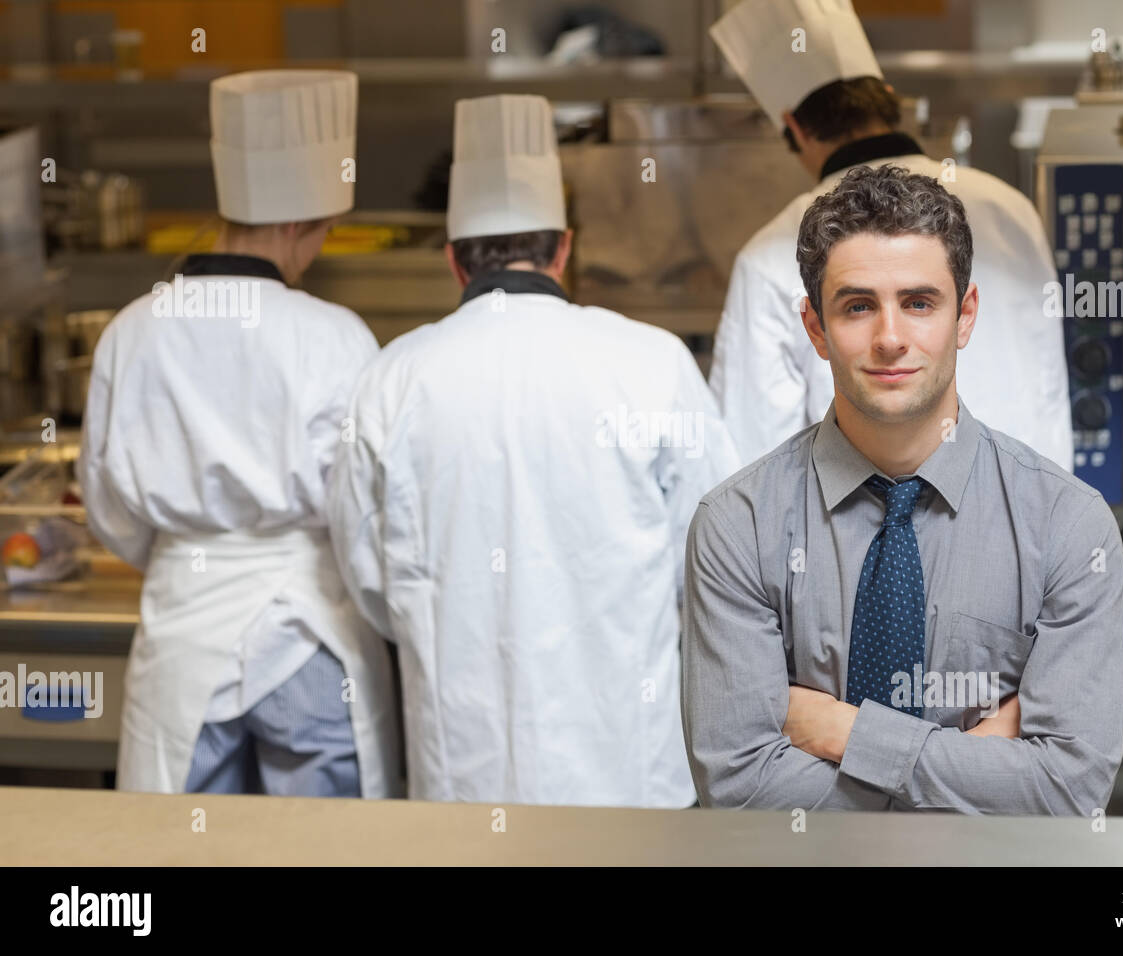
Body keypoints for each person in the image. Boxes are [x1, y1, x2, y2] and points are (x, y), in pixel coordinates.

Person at [327, 94, 740, 807]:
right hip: (626, 762)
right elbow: (716, 551)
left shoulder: (392, 377)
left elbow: (365, 572)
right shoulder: (652, 361)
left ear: (455, 261)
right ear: (566, 248)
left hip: (463, 759)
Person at [681, 164, 1123, 814]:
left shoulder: (1068, 527)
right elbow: (741, 788)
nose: (891, 338)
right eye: (858, 306)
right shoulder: (737, 526)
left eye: (919, 303)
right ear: (815, 328)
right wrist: (982, 760)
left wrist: (842, 732)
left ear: (965, 315)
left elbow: (1066, 789)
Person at [79, 70, 401, 797]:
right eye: (318, 233)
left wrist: (189, 547)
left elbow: (109, 508)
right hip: (310, 633)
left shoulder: (132, 332)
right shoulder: (336, 335)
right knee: (326, 856)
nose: (315, 249)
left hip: (184, 634)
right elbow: (362, 504)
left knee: (182, 853)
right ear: (294, 226)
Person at [708, 0, 1072, 470]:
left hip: (863, 534)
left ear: (794, 129)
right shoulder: (1011, 208)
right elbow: (1049, 389)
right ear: (889, 97)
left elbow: (753, 451)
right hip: (1028, 511)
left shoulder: (770, 252)